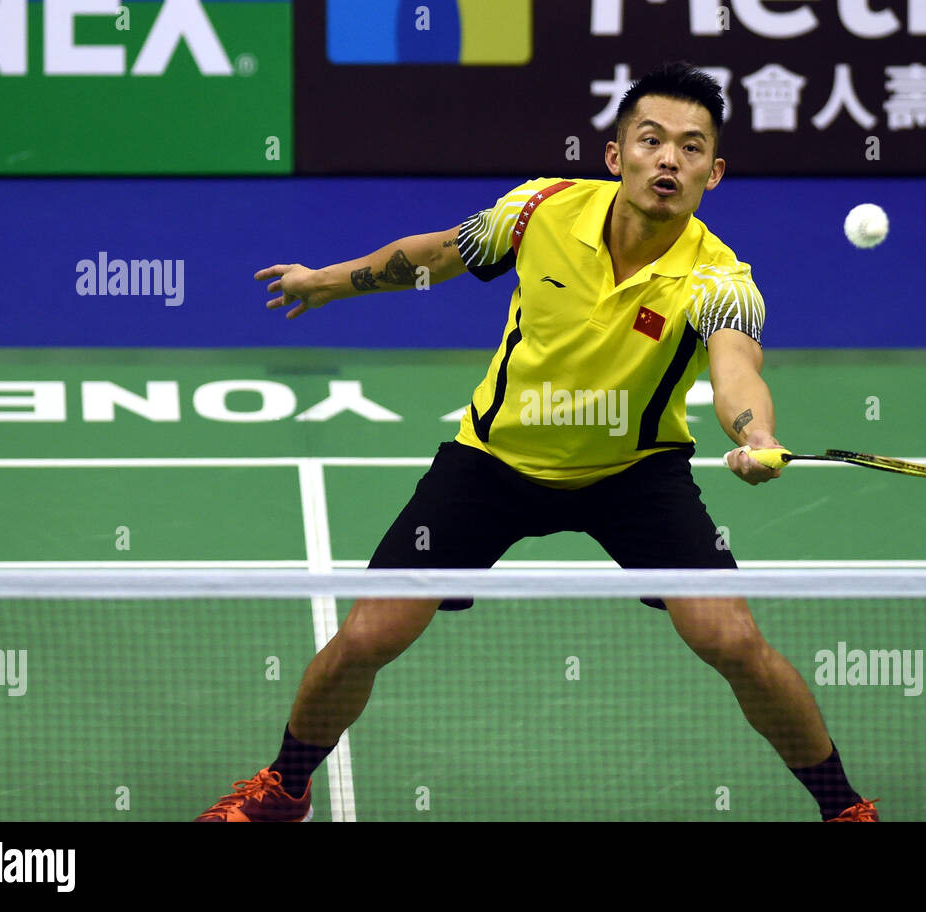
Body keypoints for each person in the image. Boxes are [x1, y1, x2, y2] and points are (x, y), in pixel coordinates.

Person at [196, 62, 877, 823]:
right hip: (493, 462)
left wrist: (757, 435)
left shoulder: (720, 279)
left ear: (713, 173)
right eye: (650, 140)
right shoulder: (540, 210)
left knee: (733, 639)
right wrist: (326, 281)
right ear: (615, 155)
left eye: (691, 149)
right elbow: (436, 256)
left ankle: (843, 808)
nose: (668, 160)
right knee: (365, 635)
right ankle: (283, 789)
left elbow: (735, 369)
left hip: (634, 473)